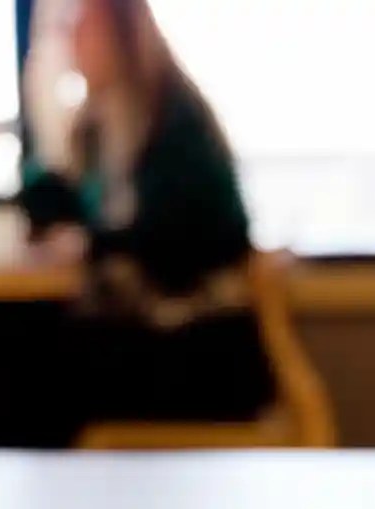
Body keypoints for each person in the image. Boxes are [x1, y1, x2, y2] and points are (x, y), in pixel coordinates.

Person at [19, 0, 276, 426]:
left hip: (196, 339)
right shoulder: (94, 125)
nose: (72, 45)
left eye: (84, 30)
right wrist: (42, 124)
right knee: (8, 354)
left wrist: (95, 245)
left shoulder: (173, 118)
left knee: (28, 372)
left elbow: (204, 236)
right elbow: (51, 210)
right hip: (137, 336)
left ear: (122, 33)